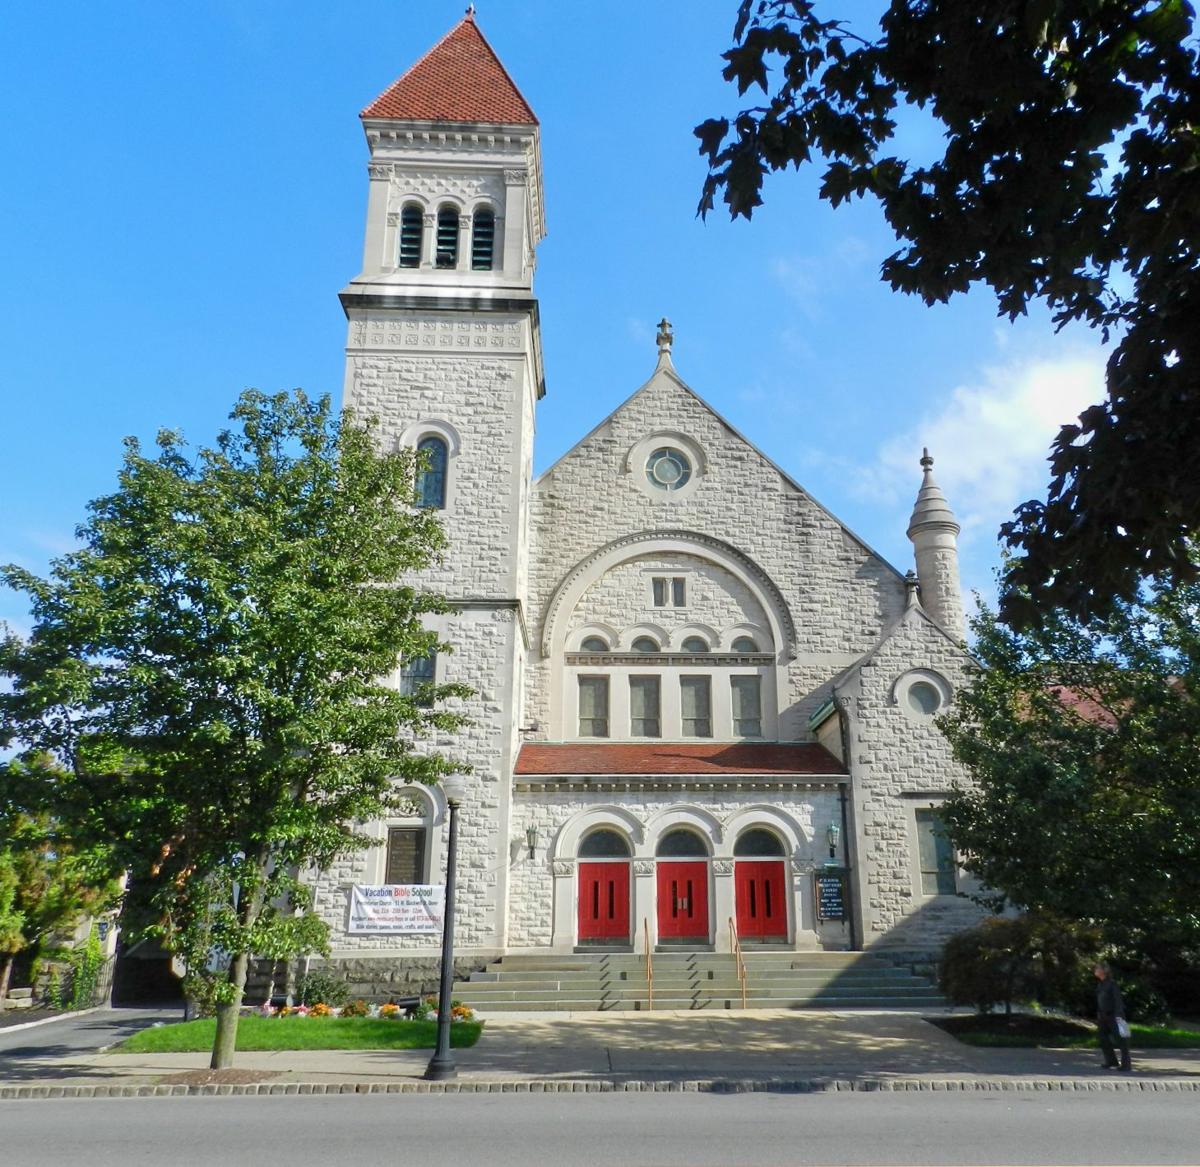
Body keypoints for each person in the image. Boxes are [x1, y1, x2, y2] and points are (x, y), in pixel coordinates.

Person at [1094, 962, 1132, 1071]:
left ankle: (1126, 1065)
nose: (1095, 970)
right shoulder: (1100, 984)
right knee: (1103, 1038)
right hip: (1103, 1016)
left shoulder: (1112, 984)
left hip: (1115, 1015)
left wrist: (1118, 1015)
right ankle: (1111, 1061)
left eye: (1097, 968)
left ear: (1104, 971)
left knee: (1122, 1039)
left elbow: (1118, 1000)